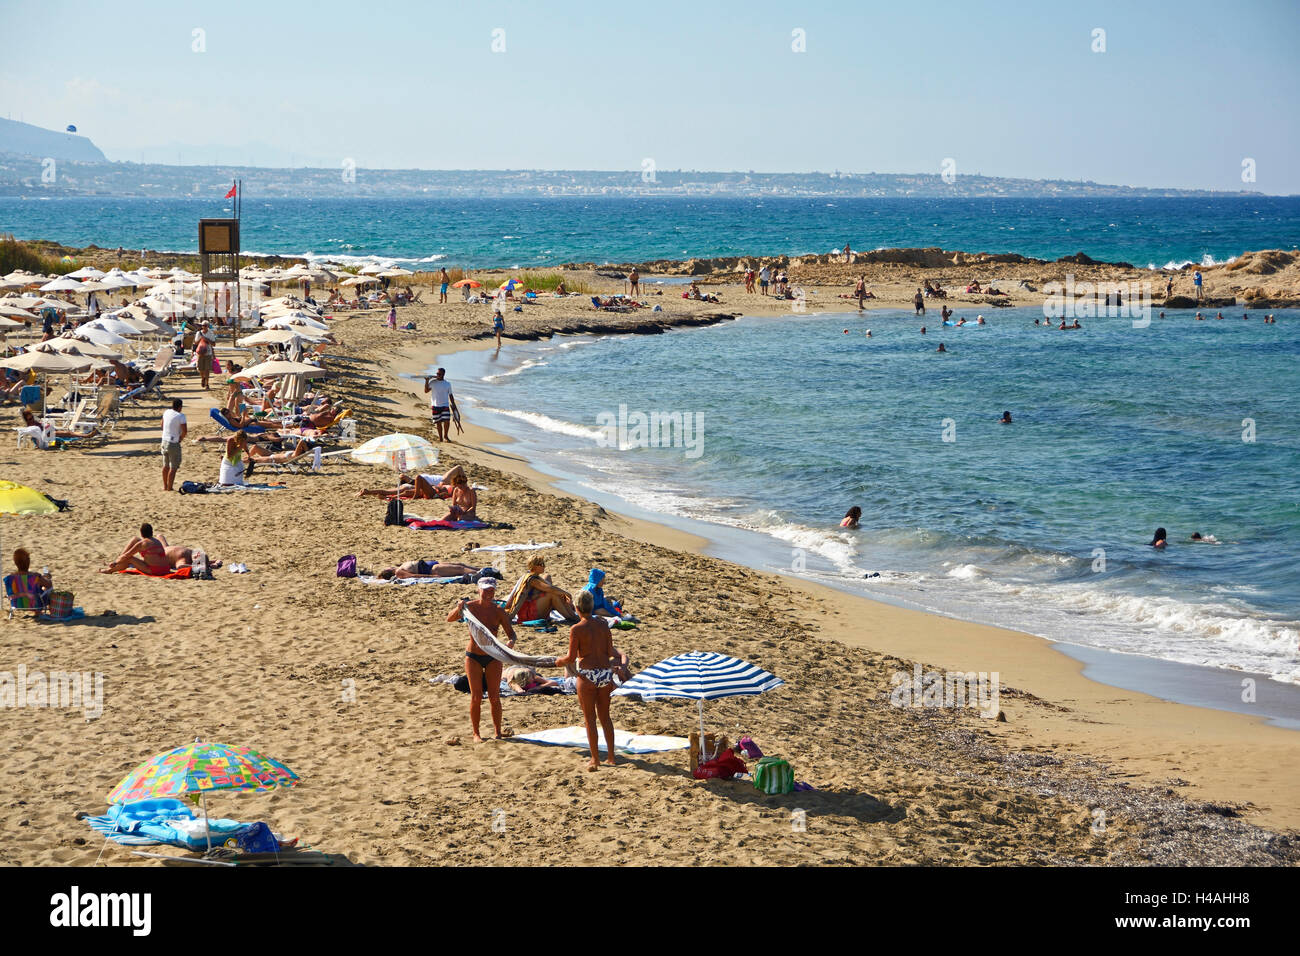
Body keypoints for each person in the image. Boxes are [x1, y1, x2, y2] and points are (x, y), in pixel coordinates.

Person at [555, 590, 621, 770]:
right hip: (604, 674)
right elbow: (609, 651)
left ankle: (594, 759)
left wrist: (557, 662)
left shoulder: (576, 629)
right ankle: (611, 757)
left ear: (576, 609)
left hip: (588, 675)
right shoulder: (603, 625)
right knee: (605, 717)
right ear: (592, 607)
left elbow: (570, 658)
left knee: (590, 719)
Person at [446, 578, 517, 742]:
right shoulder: (470, 607)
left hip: (493, 656)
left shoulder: (498, 610)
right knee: (476, 696)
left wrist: (511, 642)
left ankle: (497, 731)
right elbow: (449, 618)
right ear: (478, 590)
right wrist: (458, 609)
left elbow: (511, 633)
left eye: (491, 590)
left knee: (494, 696)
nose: (488, 594)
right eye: (485, 590)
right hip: (473, 656)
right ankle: (476, 733)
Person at [504, 555, 577, 623]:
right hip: (527, 615)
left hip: (530, 607)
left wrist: (563, 594)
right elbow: (549, 588)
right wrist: (566, 593)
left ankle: (572, 616)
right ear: (535, 567)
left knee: (555, 589)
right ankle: (570, 618)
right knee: (553, 594)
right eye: (542, 565)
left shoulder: (534, 576)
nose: (544, 567)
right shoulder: (532, 580)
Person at [100, 523, 172, 574]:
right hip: (166, 569)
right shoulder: (157, 541)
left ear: (141, 534)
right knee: (134, 546)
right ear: (152, 532)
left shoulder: (142, 544)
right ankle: (113, 566)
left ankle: (109, 571)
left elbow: (127, 555)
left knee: (129, 558)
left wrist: (115, 562)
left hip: (155, 571)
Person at [377, 558, 498, 580]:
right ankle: (484, 573)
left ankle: (486, 569)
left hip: (433, 565)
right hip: (433, 570)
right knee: (460, 569)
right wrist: (432, 577)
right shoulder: (399, 572)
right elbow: (414, 576)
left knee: (459, 564)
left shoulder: (399, 567)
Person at [161, 398, 186, 491]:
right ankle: (169, 487)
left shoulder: (166, 412)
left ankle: (165, 486)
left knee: (165, 465)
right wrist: (180, 438)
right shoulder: (181, 416)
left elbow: (162, 425)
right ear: (180, 407)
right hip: (173, 442)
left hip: (164, 440)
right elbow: (184, 431)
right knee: (173, 467)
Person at [194, 322, 214, 389]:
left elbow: (214, 344)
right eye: (203, 325)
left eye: (205, 325)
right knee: (200, 368)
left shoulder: (211, 333)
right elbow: (195, 342)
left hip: (208, 353)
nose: (204, 327)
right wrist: (201, 338)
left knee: (207, 369)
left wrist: (206, 339)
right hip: (200, 352)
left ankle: (207, 383)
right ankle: (203, 378)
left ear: (208, 326)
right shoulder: (198, 333)